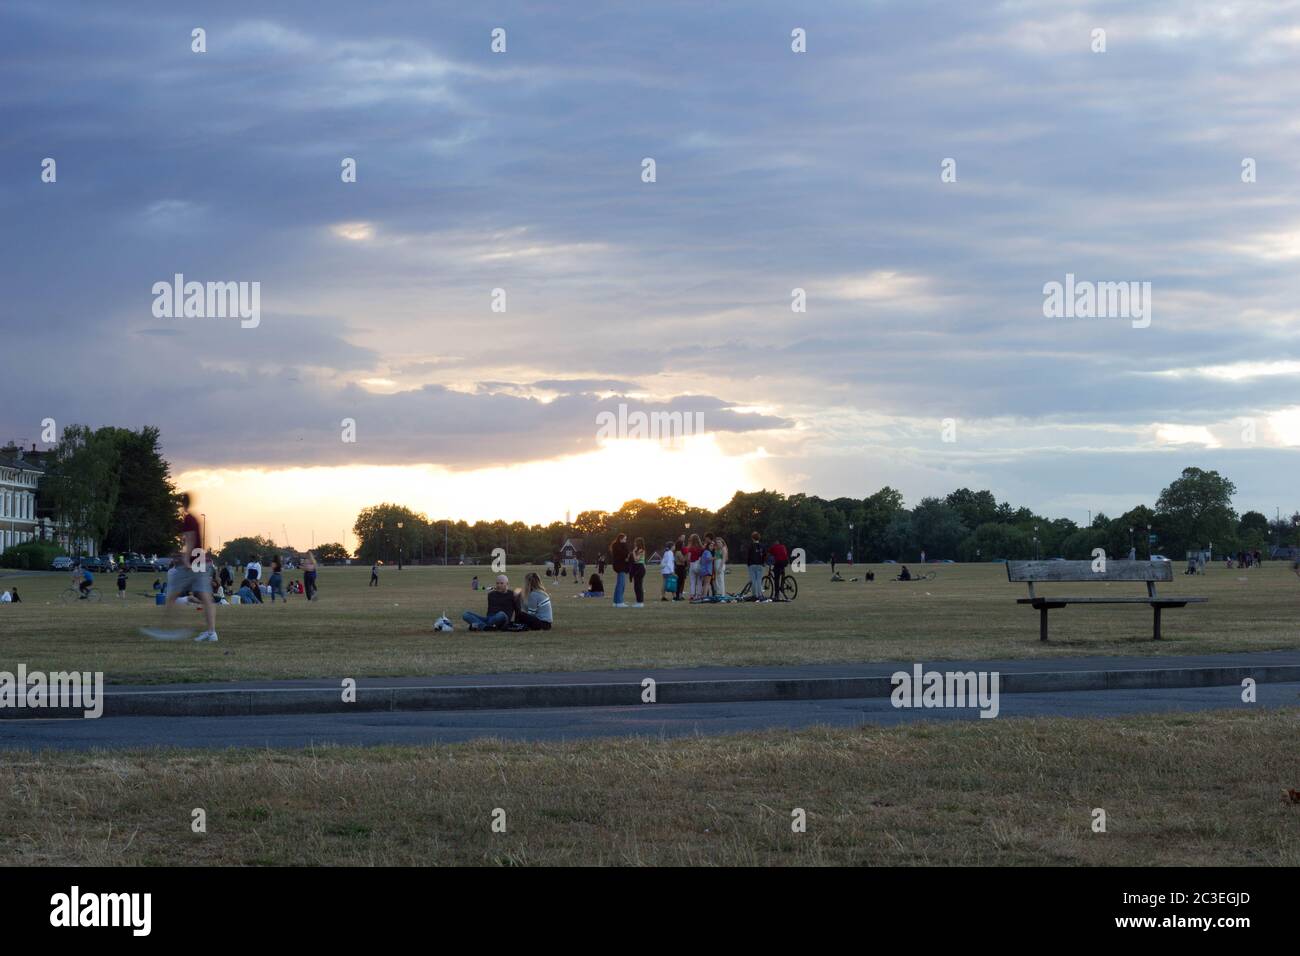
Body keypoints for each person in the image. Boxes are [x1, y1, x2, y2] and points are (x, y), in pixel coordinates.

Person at [141, 492, 218, 642]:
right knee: (206, 597)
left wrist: (186, 559)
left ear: (181, 505)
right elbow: (197, 541)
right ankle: (211, 632)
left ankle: (164, 629)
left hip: (192, 564)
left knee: (172, 596)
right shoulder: (193, 518)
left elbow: (190, 539)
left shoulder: (188, 519)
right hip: (200, 560)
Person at [744, 532, 766, 601]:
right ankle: (760, 594)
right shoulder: (762, 546)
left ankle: (754, 595)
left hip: (752, 565)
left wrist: (748, 563)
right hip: (760, 565)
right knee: (759, 580)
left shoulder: (750, 546)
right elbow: (764, 555)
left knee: (753, 580)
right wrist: (763, 562)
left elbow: (748, 555)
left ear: (752, 538)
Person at [610, 532, 630, 607]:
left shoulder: (616, 546)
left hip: (619, 566)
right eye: (624, 539)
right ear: (621, 539)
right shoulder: (618, 546)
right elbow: (624, 554)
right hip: (620, 566)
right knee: (621, 584)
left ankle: (616, 602)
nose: (625, 541)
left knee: (620, 584)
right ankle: (619, 602)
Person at [629, 537, 647, 607]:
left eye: (636, 542)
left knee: (638, 586)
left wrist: (633, 552)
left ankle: (640, 602)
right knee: (636, 586)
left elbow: (636, 559)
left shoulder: (641, 550)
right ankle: (638, 602)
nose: (634, 544)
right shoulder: (638, 550)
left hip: (640, 568)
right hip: (638, 568)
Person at [673, 535, 689, 601]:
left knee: (679, 582)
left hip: (678, 567)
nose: (683, 545)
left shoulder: (677, 552)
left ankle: (678, 596)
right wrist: (687, 555)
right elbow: (683, 560)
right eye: (682, 544)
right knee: (679, 582)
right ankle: (677, 596)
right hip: (680, 568)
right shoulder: (678, 552)